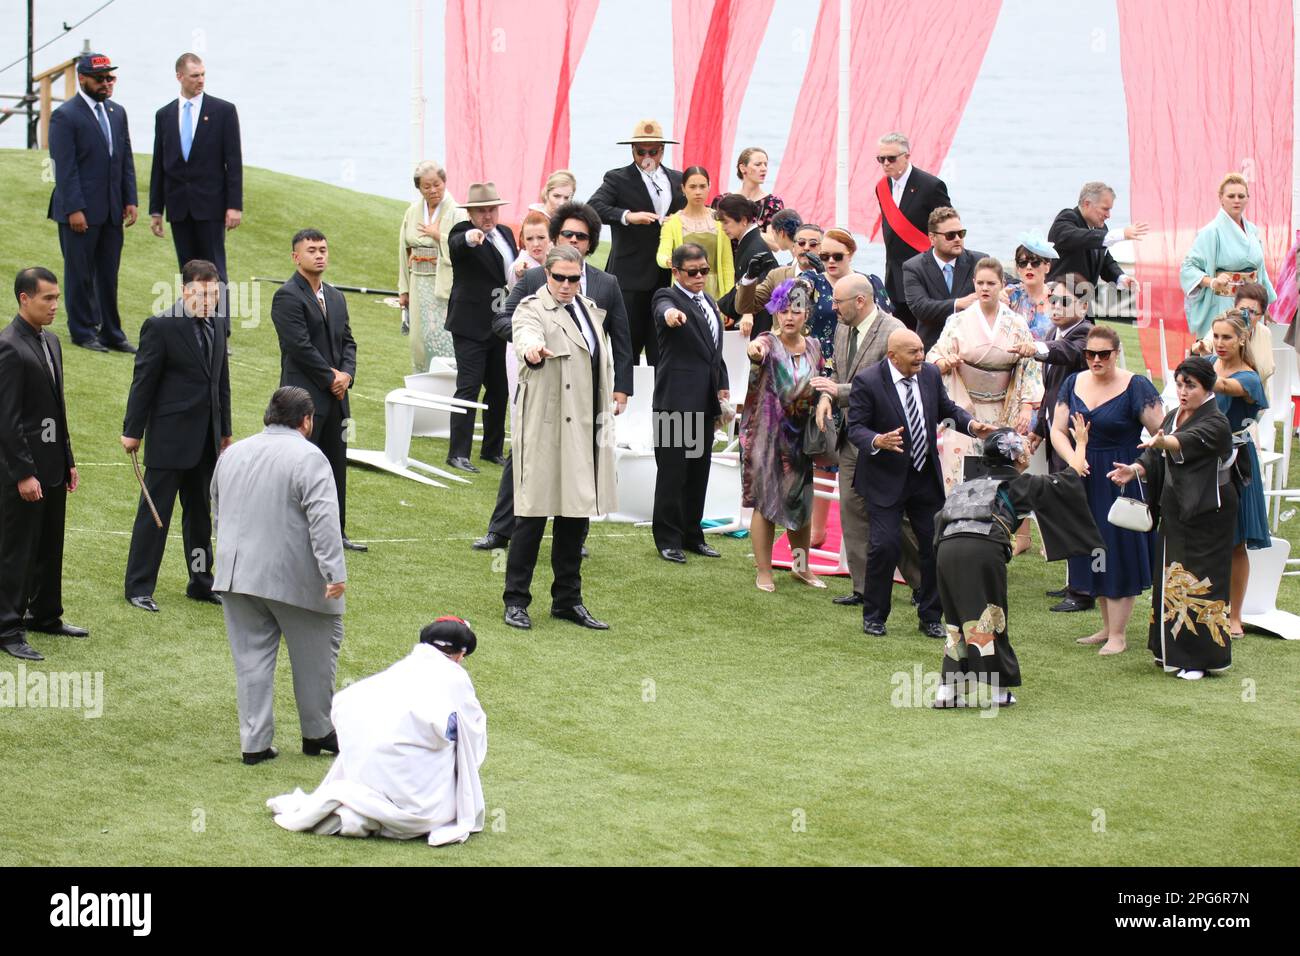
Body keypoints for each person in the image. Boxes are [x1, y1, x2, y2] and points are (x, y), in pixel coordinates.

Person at [474, 201, 631, 552]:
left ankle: (575, 537)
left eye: (581, 236)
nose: (573, 240)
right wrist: (531, 342)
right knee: (525, 458)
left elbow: (621, 339)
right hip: (543, 385)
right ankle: (501, 530)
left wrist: (622, 388)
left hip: (586, 392)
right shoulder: (534, 277)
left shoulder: (606, 284)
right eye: (567, 234)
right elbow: (503, 319)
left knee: (583, 460)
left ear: (591, 243)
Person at [211, 387, 347, 764]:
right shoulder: (310, 457)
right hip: (293, 577)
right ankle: (318, 730)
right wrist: (334, 572)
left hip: (237, 574)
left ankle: (254, 744)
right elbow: (324, 522)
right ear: (306, 421)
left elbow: (218, 511)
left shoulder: (232, 453)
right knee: (317, 652)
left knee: (251, 659)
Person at [266, 616, 486, 847]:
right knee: (452, 749)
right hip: (417, 803)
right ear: (460, 654)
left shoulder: (401, 669)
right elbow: (472, 736)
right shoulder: (455, 678)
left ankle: (365, 803)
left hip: (366, 778)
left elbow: (344, 704)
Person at [932, 421, 1102, 708]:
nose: (1028, 450)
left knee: (957, 620)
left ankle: (948, 691)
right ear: (1017, 457)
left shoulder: (967, 485)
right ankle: (1000, 691)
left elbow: (939, 520)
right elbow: (1071, 477)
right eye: (1024, 448)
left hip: (946, 549)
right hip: (983, 548)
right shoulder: (1021, 483)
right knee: (991, 616)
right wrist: (1082, 442)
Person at [847, 329, 994, 637]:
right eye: (913, 352)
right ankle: (874, 615)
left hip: (924, 477)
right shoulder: (868, 381)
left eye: (921, 350)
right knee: (884, 546)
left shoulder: (928, 374)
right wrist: (877, 440)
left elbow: (946, 409)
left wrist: (970, 424)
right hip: (884, 479)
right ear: (892, 356)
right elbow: (856, 428)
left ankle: (930, 616)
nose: (921, 357)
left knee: (936, 545)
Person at [504, 246, 616, 631]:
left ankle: (567, 599)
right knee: (532, 515)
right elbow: (525, 337)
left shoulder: (587, 307)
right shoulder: (531, 308)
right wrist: (533, 352)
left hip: (585, 424)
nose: (567, 285)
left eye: (574, 277)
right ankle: (516, 600)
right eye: (559, 278)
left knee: (574, 516)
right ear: (546, 276)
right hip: (547, 425)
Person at [1108, 358, 1236, 680]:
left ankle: (1200, 659)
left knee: (1198, 578)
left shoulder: (1217, 423)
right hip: (1176, 508)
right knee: (1169, 574)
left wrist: (1164, 441)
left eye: (1190, 385)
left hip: (1209, 512)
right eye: (1179, 384)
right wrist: (1135, 469)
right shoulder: (1175, 413)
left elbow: (1181, 443)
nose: (1182, 391)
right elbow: (1154, 453)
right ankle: (1169, 650)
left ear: (1207, 387)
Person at [121, 259, 231, 612]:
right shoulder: (160, 326)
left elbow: (221, 383)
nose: (208, 300)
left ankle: (201, 581)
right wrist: (132, 431)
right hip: (169, 439)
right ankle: (139, 587)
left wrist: (225, 430)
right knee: (155, 516)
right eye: (201, 293)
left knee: (200, 518)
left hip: (206, 442)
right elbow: (144, 381)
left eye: (214, 294)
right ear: (185, 291)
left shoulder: (217, 324)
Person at [1050, 326, 1165, 646]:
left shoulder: (1136, 385)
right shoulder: (1073, 382)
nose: (1096, 360)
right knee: (1092, 546)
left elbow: (1162, 436)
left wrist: (1140, 468)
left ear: (1116, 353)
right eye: (1089, 354)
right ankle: (1105, 627)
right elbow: (1057, 430)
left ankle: (1119, 634)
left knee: (1118, 549)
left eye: (1103, 354)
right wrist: (1074, 457)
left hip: (1121, 475)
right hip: (1084, 475)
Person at [0, 268, 86, 661]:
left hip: (52, 466)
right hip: (23, 472)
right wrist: (24, 473)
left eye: (57, 298)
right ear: (24, 299)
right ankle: (7, 628)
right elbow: (8, 420)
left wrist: (67, 459)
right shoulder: (9, 347)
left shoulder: (50, 341)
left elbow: (57, 408)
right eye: (47, 299)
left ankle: (46, 615)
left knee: (50, 544)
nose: (55, 306)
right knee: (17, 550)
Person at [813, 274, 913, 607]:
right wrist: (829, 397)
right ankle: (864, 587)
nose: (833, 307)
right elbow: (840, 374)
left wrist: (836, 392)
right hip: (851, 437)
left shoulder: (893, 331)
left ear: (860, 301)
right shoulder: (843, 329)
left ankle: (923, 583)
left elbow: (887, 385)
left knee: (893, 517)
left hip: (886, 439)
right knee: (853, 512)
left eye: (838, 301)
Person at [270, 229, 363, 551]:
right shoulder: (287, 296)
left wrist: (347, 376)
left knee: (335, 467)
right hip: (303, 400)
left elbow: (348, 341)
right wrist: (331, 378)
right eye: (311, 250)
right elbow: (299, 346)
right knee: (301, 470)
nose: (319, 255)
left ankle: (336, 533)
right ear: (296, 256)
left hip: (337, 399)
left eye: (323, 249)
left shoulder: (336, 297)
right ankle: (294, 533)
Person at [46, 52, 138, 354]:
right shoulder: (65, 116)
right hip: (80, 211)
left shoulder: (116, 112)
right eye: (100, 78)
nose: (106, 83)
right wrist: (74, 208)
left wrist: (130, 199)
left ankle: (112, 331)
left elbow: (124, 159)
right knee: (80, 273)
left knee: (108, 275)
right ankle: (83, 330)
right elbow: (65, 167)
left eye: (110, 78)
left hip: (111, 210)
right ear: (82, 78)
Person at [927, 257, 1043, 494]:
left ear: (1001, 284)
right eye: (980, 283)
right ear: (973, 283)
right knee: (961, 470)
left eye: (991, 283)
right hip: (965, 405)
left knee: (1001, 471)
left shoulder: (1016, 322)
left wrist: (1026, 406)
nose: (984, 288)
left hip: (1003, 405)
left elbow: (1028, 366)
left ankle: (999, 523)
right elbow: (934, 356)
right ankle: (961, 523)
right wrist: (945, 362)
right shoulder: (957, 320)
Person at [744, 279, 829, 591]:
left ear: (807, 314)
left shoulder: (815, 347)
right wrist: (753, 350)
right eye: (783, 310)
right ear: (775, 313)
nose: (789, 316)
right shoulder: (767, 341)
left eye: (796, 310)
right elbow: (757, 351)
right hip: (767, 436)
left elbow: (822, 384)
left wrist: (824, 403)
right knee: (765, 502)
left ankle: (801, 567)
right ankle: (763, 570)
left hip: (799, 437)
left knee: (801, 503)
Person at [651, 243, 730, 564]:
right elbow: (662, 310)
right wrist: (671, 316)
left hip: (704, 401)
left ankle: (691, 535)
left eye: (704, 271)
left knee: (698, 471)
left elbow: (713, 351)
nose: (699, 277)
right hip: (674, 401)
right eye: (692, 272)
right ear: (676, 272)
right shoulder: (667, 297)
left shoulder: (709, 301)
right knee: (672, 473)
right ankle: (667, 539)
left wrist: (722, 386)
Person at [589, 119, 685, 365]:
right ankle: (621, 399)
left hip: (666, 276)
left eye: (652, 151)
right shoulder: (617, 178)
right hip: (630, 277)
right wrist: (627, 216)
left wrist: (680, 219)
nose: (647, 156)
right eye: (641, 151)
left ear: (662, 151)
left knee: (663, 346)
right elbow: (593, 208)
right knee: (626, 346)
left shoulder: (677, 179)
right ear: (632, 151)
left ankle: (659, 400)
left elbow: (695, 209)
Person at [148, 53, 243, 286]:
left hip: (211, 206)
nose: (200, 80)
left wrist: (234, 206)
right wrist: (156, 210)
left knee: (214, 270)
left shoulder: (223, 111)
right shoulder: (165, 115)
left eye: (203, 75)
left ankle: (220, 323)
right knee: (188, 273)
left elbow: (233, 163)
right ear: (180, 76)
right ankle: (192, 322)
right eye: (194, 76)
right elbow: (159, 164)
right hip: (179, 206)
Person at [1203, 310, 1270, 638]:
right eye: (1215, 336)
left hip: (1238, 463)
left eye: (1226, 337)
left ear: (1242, 339)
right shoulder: (1211, 366)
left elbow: (1226, 387)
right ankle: (1209, 605)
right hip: (1205, 460)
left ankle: (1235, 615)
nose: (1219, 343)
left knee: (1235, 542)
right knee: (1207, 538)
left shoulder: (1249, 377)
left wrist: (1196, 369)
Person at [445, 182, 516, 473]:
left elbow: (509, 270)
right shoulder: (461, 231)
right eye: (480, 211)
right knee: (469, 386)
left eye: (491, 209)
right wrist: (472, 237)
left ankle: (492, 449)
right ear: (470, 213)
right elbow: (458, 245)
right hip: (470, 324)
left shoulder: (507, 234)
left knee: (500, 389)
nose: (487, 216)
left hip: (501, 323)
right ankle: (457, 452)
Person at [1180, 173, 1279, 339]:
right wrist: (1212, 282)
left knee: (1251, 354)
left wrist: (1264, 305)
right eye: (1231, 196)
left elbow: (1260, 270)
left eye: (1241, 196)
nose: (1236, 200)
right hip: (1223, 304)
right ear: (1221, 198)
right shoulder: (1211, 232)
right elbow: (1188, 268)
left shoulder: (1252, 231)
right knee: (1225, 349)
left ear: (1247, 198)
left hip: (1252, 304)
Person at [874, 132, 952, 332]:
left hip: (924, 274)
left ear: (907, 156)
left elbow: (948, 228)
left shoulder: (931, 186)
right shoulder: (882, 187)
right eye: (881, 159)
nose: (885, 163)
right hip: (894, 275)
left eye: (891, 158)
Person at [397, 159, 465, 373]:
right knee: (419, 338)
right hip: (418, 281)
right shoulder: (412, 211)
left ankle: (447, 380)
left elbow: (463, 247)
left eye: (437, 184)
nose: (433, 190)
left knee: (443, 336)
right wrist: (404, 289)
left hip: (444, 283)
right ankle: (422, 379)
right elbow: (403, 249)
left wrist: (439, 236)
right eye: (426, 186)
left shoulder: (457, 211)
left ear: (444, 182)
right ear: (419, 188)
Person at [901, 206, 989, 352]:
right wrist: (958, 303)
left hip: (972, 350)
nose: (958, 239)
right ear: (932, 238)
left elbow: (1002, 279)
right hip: (931, 350)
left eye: (961, 234)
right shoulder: (914, 267)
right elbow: (921, 308)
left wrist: (1002, 291)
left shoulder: (979, 261)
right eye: (950, 235)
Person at [1046, 181, 1146, 289]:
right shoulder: (1067, 219)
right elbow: (1079, 237)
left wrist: (1121, 277)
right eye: (1105, 209)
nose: (1108, 215)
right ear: (1087, 204)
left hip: (1083, 300)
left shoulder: (1101, 229)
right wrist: (1121, 234)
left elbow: (1105, 262)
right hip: (1058, 298)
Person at [655, 166, 734, 302]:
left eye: (702, 186)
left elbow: (727, 264)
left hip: (715, 291)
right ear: (683, 188)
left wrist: (729, 300)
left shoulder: (720, 221)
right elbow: (661, 255)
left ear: (709, 186)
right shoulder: (672, 222)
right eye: (692, 187)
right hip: (685, 290)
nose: (698, 192)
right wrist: (670, 261)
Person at [735, 219, 823, 338]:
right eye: (801, 243)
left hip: (821, 351)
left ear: (822, 249)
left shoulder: (831, 276)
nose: (806, 248)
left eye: (813, 244)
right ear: (794, 247)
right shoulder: (777, 275)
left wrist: (824, 277)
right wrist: (749, 278)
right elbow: (744, 306)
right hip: (783, 350)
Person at [1191, 282, 1277, 386]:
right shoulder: (1224, 325)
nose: (1246, 315)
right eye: (1242, 310)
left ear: (1261, 315)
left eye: (1252, 312)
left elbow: (1267, 369)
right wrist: (1203, 347)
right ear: (1234, 307)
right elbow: (1208, 342)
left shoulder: (1264, 333)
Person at [715, 193, 768, 324]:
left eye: (726, 222)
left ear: (743, 220)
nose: (723, 228)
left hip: (761, 318)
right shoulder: (750, 242)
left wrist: (722, 307)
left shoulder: (755, 248)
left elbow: (753, 287)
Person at [1005, 230, 1059, 342]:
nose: (1029, 267)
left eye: (1035, 262)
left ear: (1047, 267)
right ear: (1018, 268)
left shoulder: (1058, 296)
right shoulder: (1010, 294)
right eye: (1023, 263)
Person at [723, 146, 784, 239]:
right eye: (758, 164)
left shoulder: (773, 203)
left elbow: (775, 243)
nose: (764, 168)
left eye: (765, 164)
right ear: (743, 168)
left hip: (757, 253)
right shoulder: (724, 201)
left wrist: (743, 229)